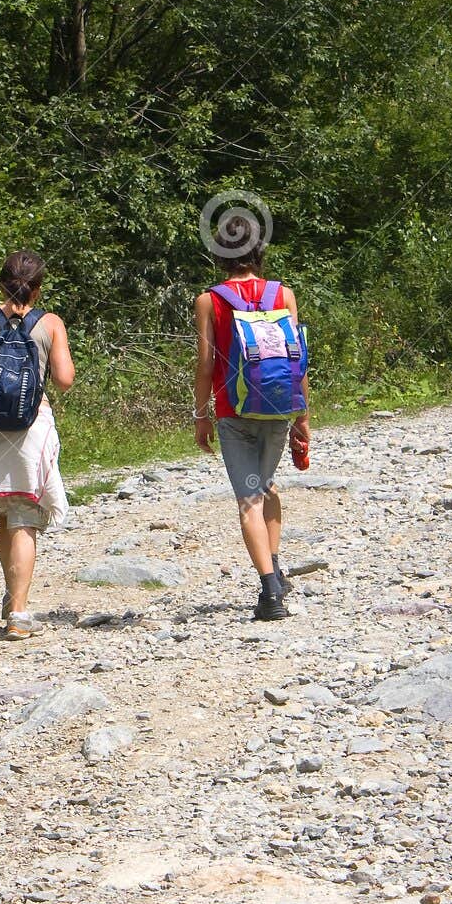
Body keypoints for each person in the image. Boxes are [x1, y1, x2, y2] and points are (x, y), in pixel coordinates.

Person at [0, 251, 74, 638]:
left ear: (1, 282)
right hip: (30, 426)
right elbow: (65, 379)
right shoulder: (50, 323)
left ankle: (12, 593)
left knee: (5, 511)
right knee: (24, 514)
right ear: (38, 288)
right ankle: (19, 612)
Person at [193, 220, 310, 621]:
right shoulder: (284, 294)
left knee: (249, 499)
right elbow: (299, 361)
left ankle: (270, 592)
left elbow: (206, 364)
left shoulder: (210, 300)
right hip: (278, 410)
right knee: (266, 486)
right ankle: (274, 566)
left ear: (220, 255)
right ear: (259, 251)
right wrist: (303, 417)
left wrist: (200, 415)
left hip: (234, 411)